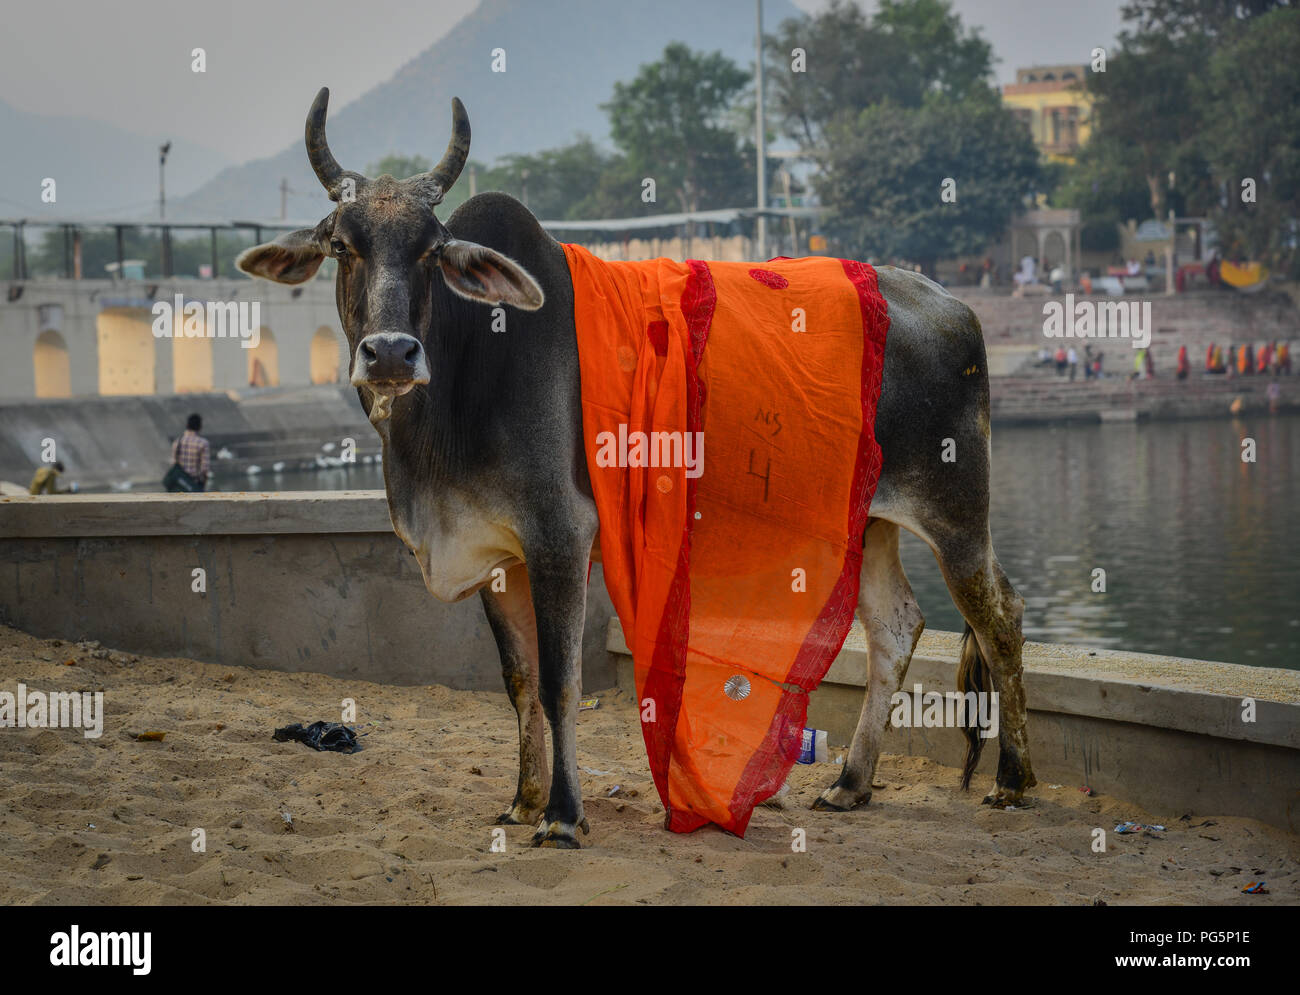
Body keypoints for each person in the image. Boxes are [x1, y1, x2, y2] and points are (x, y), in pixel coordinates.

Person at [165, 413, 210, 492]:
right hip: (194, 483)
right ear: (199, 426)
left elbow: (174, 462)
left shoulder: (178, 441)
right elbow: (204, 469)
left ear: (187, 425)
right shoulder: (203, 443)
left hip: (179, 482)